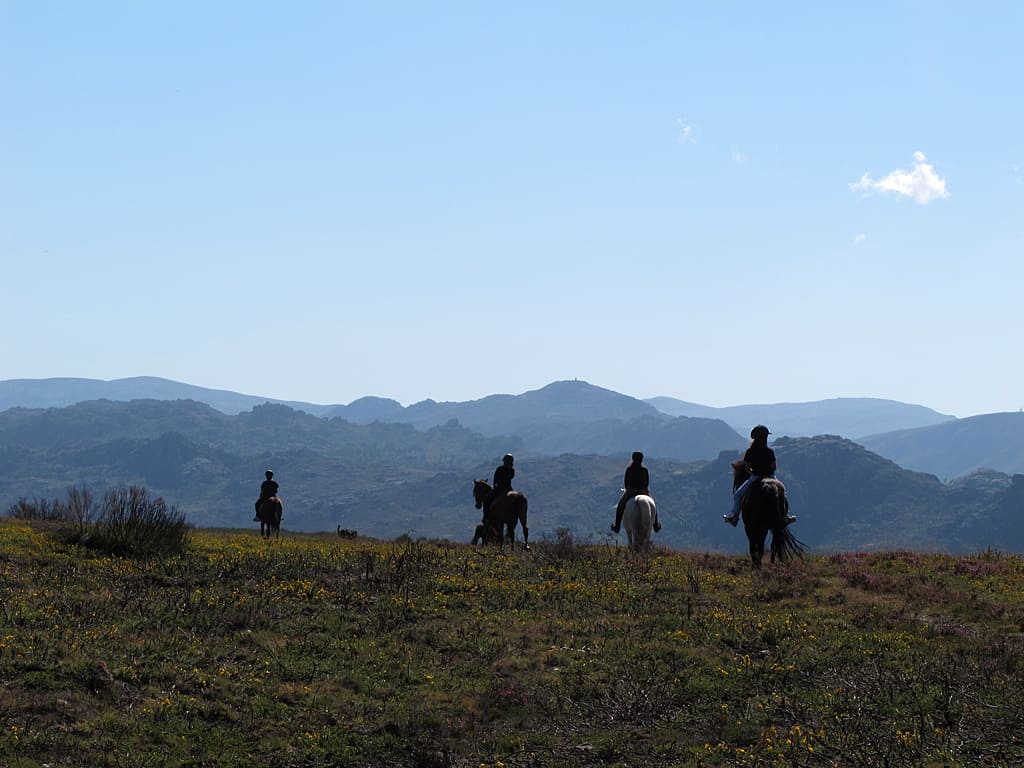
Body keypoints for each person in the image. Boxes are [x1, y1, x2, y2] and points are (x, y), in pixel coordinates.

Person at [724, 425, 796, 526]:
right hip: (771, 476)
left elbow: (747, 468)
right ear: (765, 438)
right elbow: (774, 466)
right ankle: (786, 516)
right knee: (782, 493)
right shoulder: (769, 451)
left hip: (756, 476)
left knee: (738, 495)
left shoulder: (750, 452)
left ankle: (734, 517)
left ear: (754, 438)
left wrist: (753, 472)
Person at [611, 451, 661, 533]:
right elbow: (646, 483)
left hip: (631, 491)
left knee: (620, 505)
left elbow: (626, 483)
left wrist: (630, 489)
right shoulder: (644, 470)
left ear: (633, 459)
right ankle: (655, 525)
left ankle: (617, 526)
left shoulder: (629, 469)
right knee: (653, 504)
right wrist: (643, 489)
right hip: (643, 491)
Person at [482, 454, 515, 521]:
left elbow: (495, 480)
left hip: (499, 489)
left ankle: (485, 518)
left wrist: (495, 487)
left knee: (487, 500)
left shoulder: (500, 469)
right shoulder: (512, 470)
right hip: (509, 489)